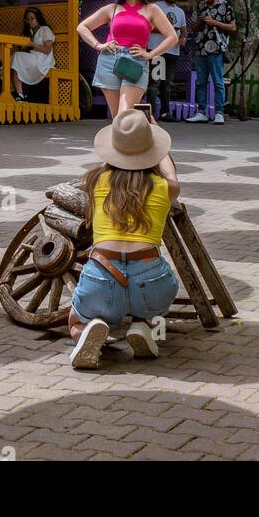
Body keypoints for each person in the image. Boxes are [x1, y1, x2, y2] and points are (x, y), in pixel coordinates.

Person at [68, 109, 181, 370]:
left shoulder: (95, 181)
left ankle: (88, 330)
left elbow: (106, 166)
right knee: (156, 298)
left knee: (74, 320)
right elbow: (171, 175)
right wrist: (157, 144)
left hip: (101, 277)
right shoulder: (165, 187)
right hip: (151, 280)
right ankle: (144, 325)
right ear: (151, 150)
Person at [77, 0, 178, 117]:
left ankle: (142, 131)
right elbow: (81, 27)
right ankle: (120, 139)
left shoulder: (151, 9)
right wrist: (98, 45)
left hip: (136, 61)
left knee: (124, 114)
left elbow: (173, 37)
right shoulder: (112, 9)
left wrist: (150, 54)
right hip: (109, 60)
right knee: (116, 117)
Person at [187, 0, 236, 125]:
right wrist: (201, 22)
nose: (206, 1)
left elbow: (233, 27)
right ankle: (201, 112)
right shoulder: (201, 6)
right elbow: (193, 28)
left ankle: (219, 112)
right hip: (201, 48)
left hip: (216, 49)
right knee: (201, 82)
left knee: (218, 81)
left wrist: (215, 23)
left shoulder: (225, 6)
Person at [147, 0, 187, 121]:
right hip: (157, 50)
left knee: (167, 84)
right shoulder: (156, 7)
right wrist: (168, 31)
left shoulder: (180, 12)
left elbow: (183, 30)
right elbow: (149, 26)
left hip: (173, 52)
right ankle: (150, 114)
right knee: (154, 83)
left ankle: (165, 113)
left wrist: (183, 37)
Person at [10, 7, 55, 102]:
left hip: (43, 62)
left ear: (38, 18)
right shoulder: (29, 32)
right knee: (16, 62)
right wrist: (24, 46)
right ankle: (20, 95)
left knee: (16, 57)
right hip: (32, 59)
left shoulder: (45, 29)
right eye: (28, 19)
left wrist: (32, 44)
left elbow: (47, 50)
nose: (30, 21)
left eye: (32, 18)